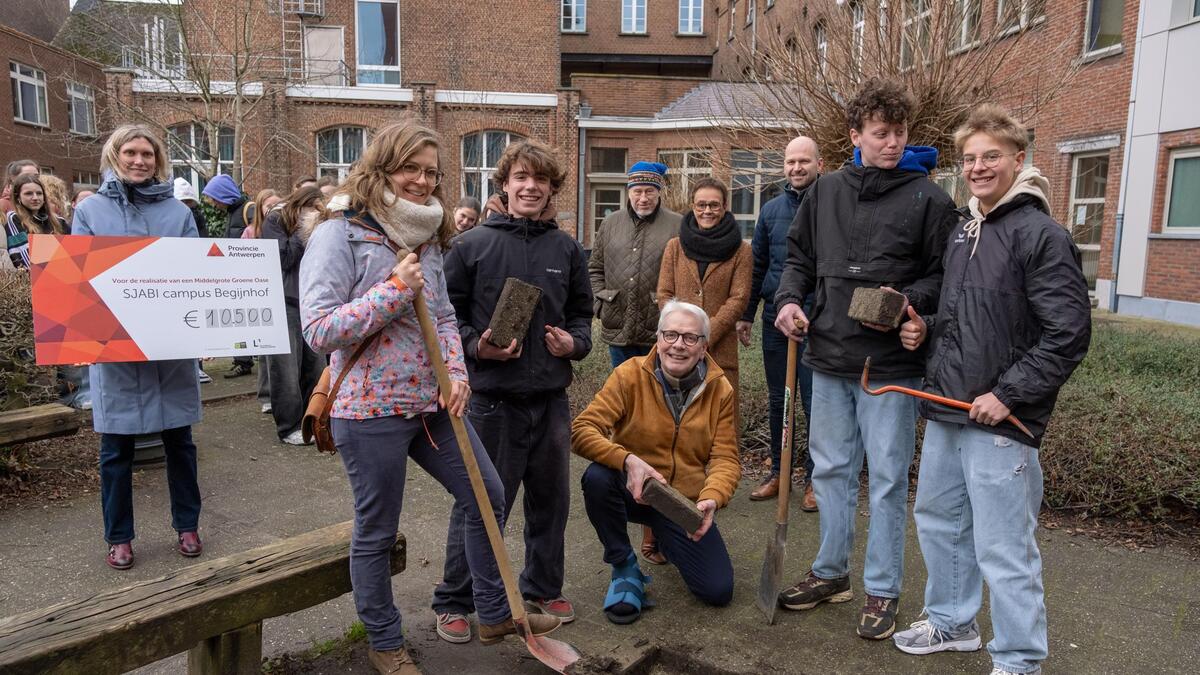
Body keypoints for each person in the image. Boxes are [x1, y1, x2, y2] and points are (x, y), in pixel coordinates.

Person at [300, 121, 560, 674]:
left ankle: (493, 611)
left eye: (431, 172)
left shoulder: (430, 235)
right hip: (369, 410)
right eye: (410, 168)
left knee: (487, 495)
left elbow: (443, 315)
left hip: (433, 406)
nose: (422, 181)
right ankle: (385, 641)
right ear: (383, 167)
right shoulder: (340, 233)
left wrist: (458, 373)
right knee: (377, 528)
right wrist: (394, 291)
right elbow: (320, 330)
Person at [890, 105, 1091, 675]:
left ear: (1018, 160)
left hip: (1002, 419)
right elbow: (966, 318)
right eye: (971, 158)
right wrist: (924, 327)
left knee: (1005, 547)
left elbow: (1068, 334)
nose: (979, 167)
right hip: (950, 407)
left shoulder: (1041, 236)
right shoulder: (965, 229)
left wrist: (1007, 394)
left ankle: (1020, 658)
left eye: (991, 157)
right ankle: (953, 623)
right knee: (939, 520)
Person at [773, 78, 957, 640]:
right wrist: (786, 301)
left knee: (885, 481)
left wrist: (910, 305)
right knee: (829, 471)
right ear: (856, 135)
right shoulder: (826, 192)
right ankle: (832, 573)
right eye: (881, 133)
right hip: (827, 357)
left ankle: (882, 588)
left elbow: (942, 276)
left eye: (900, 133)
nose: (893, 143)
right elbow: (798, 259)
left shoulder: (930, 198)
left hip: (890, 371)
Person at [434, 139, 593, 642]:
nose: (531, 187)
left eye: (541, 180)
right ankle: (455, 600)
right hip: (492, 402)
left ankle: (542, 587)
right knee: (480, 503)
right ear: (504, 183)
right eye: (521, 178)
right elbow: (444, 320)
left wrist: (574, 343)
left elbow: (583, 316)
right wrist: (477, 347)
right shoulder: (471, 246)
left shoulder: (566, 248)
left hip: (549, 400)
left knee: (550, 502)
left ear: (551, 189)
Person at [72, 124, 204, 570]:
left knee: (180, 444)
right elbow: (77, 280)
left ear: (158, 160)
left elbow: (194, 276)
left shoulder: (177, 212)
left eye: (147, 154)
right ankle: (119, 536)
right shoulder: (90, 210)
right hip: (115, 350)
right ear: (115, 155)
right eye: (130, 152)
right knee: (115, 452)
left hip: (169, 350)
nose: (139, 160)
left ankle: (187, 525)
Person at [572, 300, 738, 625]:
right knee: (597, 477)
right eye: (671, 335)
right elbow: (582, 430)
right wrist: (627, 460)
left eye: (690, 338)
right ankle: (624, 568)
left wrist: (712, 497)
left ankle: (663, 535)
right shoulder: (629, 375)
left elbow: (726, 458)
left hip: (680, 501)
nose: (679, 345)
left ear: (704, 346)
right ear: (659, 338)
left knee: (718, 591)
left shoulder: (720, 390)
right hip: (633, 490)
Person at [589, 160, 681, 565]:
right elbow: (593, 268)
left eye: (650, 191)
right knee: (624, 419)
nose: (643, 197)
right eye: (636, 190)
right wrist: (599, 301)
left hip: (656, 336)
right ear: (628, 191)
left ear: (660, 192)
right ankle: (625, 482)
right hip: (618, 333)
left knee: (658, 422)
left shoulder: (676, 225)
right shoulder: (610, 224)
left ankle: (655, 521)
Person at [738, 137, 823, 509]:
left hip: (817, 321)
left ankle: (815, 478)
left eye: (804, 161)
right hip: (776, 320)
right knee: (780, 400)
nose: (796, 168)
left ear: (819, 164)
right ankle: (779, 471)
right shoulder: (770, 210)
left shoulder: (830, 206)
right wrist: (746, 314)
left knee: (815, 403)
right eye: (790, 162)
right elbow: (756, 265)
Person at [656, 177, 751, 428]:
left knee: (720, 423)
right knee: (678, 421)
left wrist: (706, 335)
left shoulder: (741, 250)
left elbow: (739, 298)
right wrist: (682, 333)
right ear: (692, 206)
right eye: (701, 205)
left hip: (719, 349)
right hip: (678, 349)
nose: (707, 211)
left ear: (724, 206)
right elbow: (665, 293)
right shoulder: (675, 247)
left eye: (713, 205)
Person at [261, 186, 324, 445]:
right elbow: (283, 259)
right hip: (284, 302)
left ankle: (314, 420)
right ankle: (289, 426)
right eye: (314, 210)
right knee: (285, 370)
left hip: (313, 303)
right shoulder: (275, 220)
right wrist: (305, 230)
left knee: (316, 368)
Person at [202, 174, 256, 379]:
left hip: (247, 277)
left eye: (215, 198)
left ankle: (244, 361)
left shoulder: (248, 210)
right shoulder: (236, 212)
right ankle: (242, 360)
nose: (213, 204)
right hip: (238, 276)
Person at [5, 173, 66, 268]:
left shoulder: (60, 222)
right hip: (35, 279)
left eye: (39, 193)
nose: (35, 198)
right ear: (18, 197)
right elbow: (24, 258)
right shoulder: (14, 218)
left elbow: (75, 252)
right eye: (28, 193)